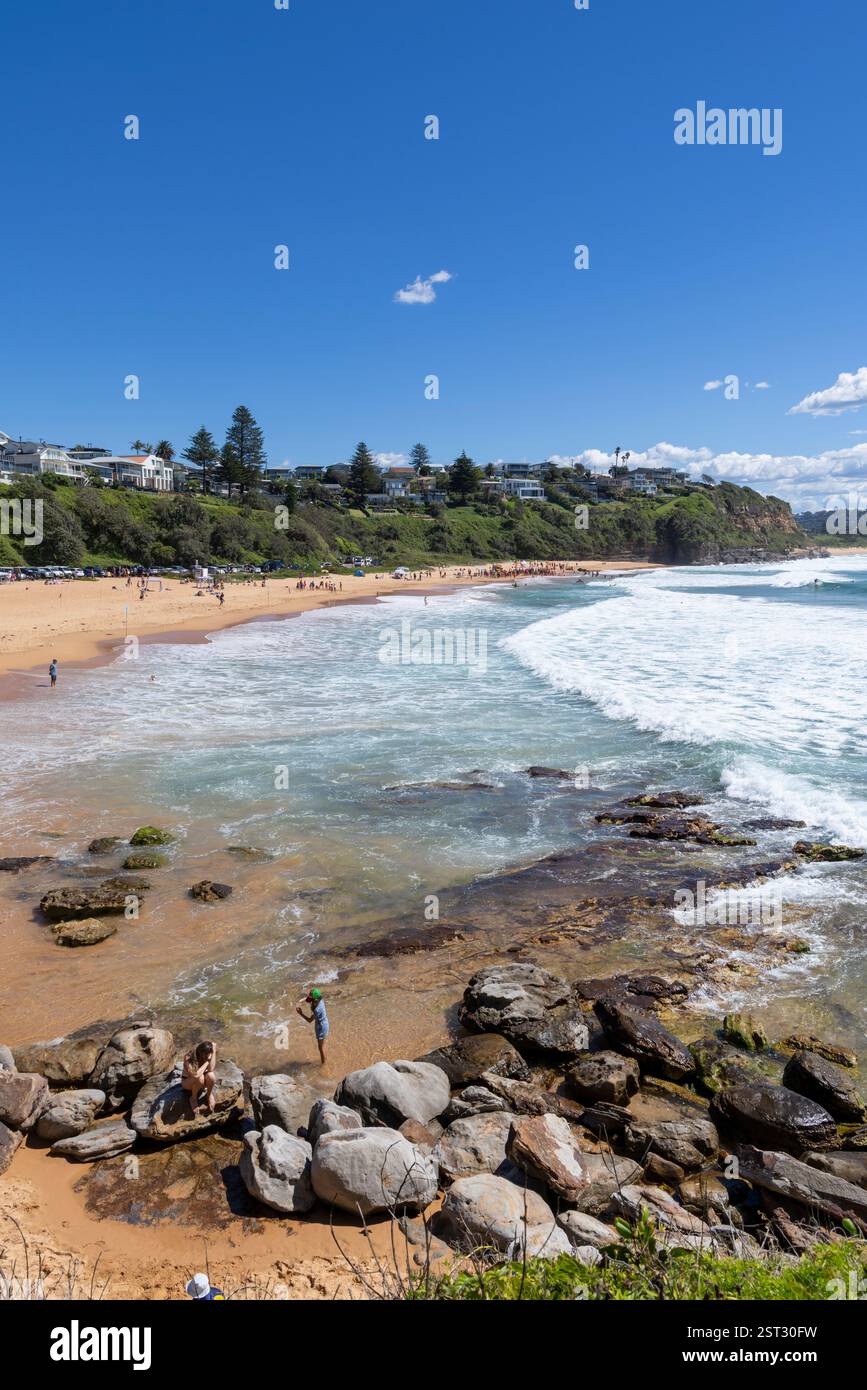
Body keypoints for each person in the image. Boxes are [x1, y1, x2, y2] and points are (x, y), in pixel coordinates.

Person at [181, 1040, 217, 1115]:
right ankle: (193, 1098)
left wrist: (214, 1051)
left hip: (202, 1081)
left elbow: (211, 1069)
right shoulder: (188, 1057)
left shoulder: (208, 1054)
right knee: (200, 1078)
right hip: (188, 1082)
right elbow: (195, 1075)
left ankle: (209, 1094)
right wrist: (207, 1061)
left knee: (212, 1076)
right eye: (208, 1055)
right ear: (203, 1054)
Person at [296, 988, 329, 1065]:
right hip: (324, 1023)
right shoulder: (320, 1000)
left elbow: (310, 1020)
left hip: (321, 1027)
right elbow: (308, 999)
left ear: (315, 1000)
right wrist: (301, 1000)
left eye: (311, 997)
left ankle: (323, 1064)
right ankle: (325, 1059)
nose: (309, 998)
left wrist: (301, 1013)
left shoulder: (317, 1010)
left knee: (320, 1048)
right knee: (322, 1046)